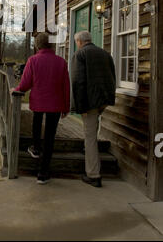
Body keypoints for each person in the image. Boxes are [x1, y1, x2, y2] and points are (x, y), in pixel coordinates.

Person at [12, 32, 70, 184]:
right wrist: (66, 107)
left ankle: (36, 147)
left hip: (38, 101)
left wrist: (16, 89)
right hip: (56, 104)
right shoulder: (61, 62)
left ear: (37, 45)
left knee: (36, 124)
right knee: (50, 137)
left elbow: (25, 83)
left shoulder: (33, 60)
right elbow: (66, 87)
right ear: (51, 44)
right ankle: (43, 174)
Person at [71, 31, 116, 188]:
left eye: (76, 42)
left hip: (89, 102)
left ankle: (93, 175)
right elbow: (112, 78)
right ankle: (89, 154)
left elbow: (78, 82)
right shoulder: (105, 54)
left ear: (79, 41)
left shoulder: (80, 54)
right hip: (103, 100)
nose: (76, 44)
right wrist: (108, 98)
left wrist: (78, 106)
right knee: (92, 132)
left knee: (90, 137)